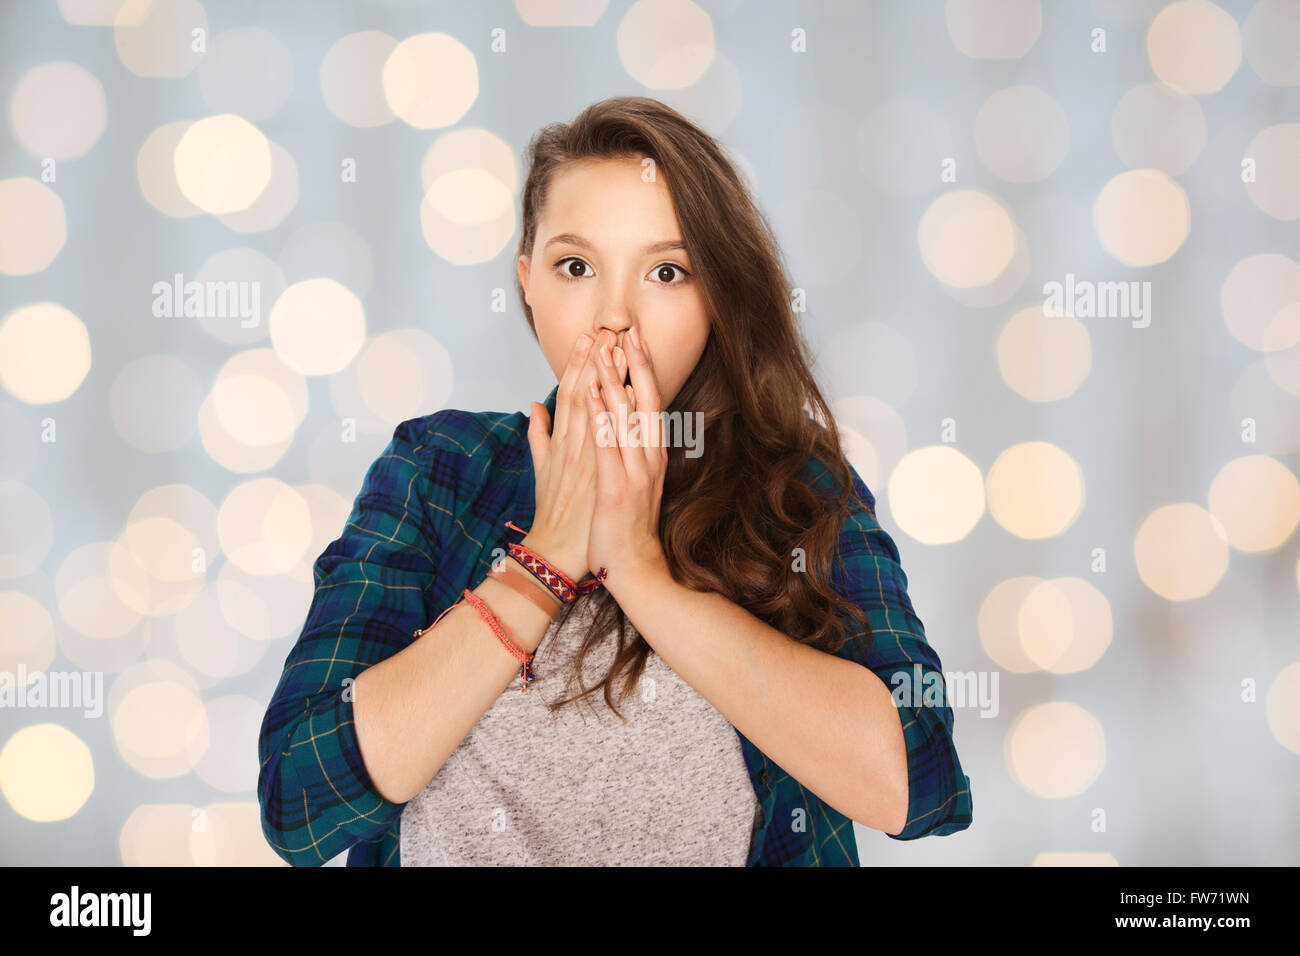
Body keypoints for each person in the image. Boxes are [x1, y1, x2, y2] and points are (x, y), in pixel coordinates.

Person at [257, 96, 972, 866]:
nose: (614, 318)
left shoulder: (797, 490)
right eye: (576, 267)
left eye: (666, 272)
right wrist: (544, 563)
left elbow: (918, 784)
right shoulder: (440, 469)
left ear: (717, 298)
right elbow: (299, 805)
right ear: (528, 281)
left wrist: (640, 570)